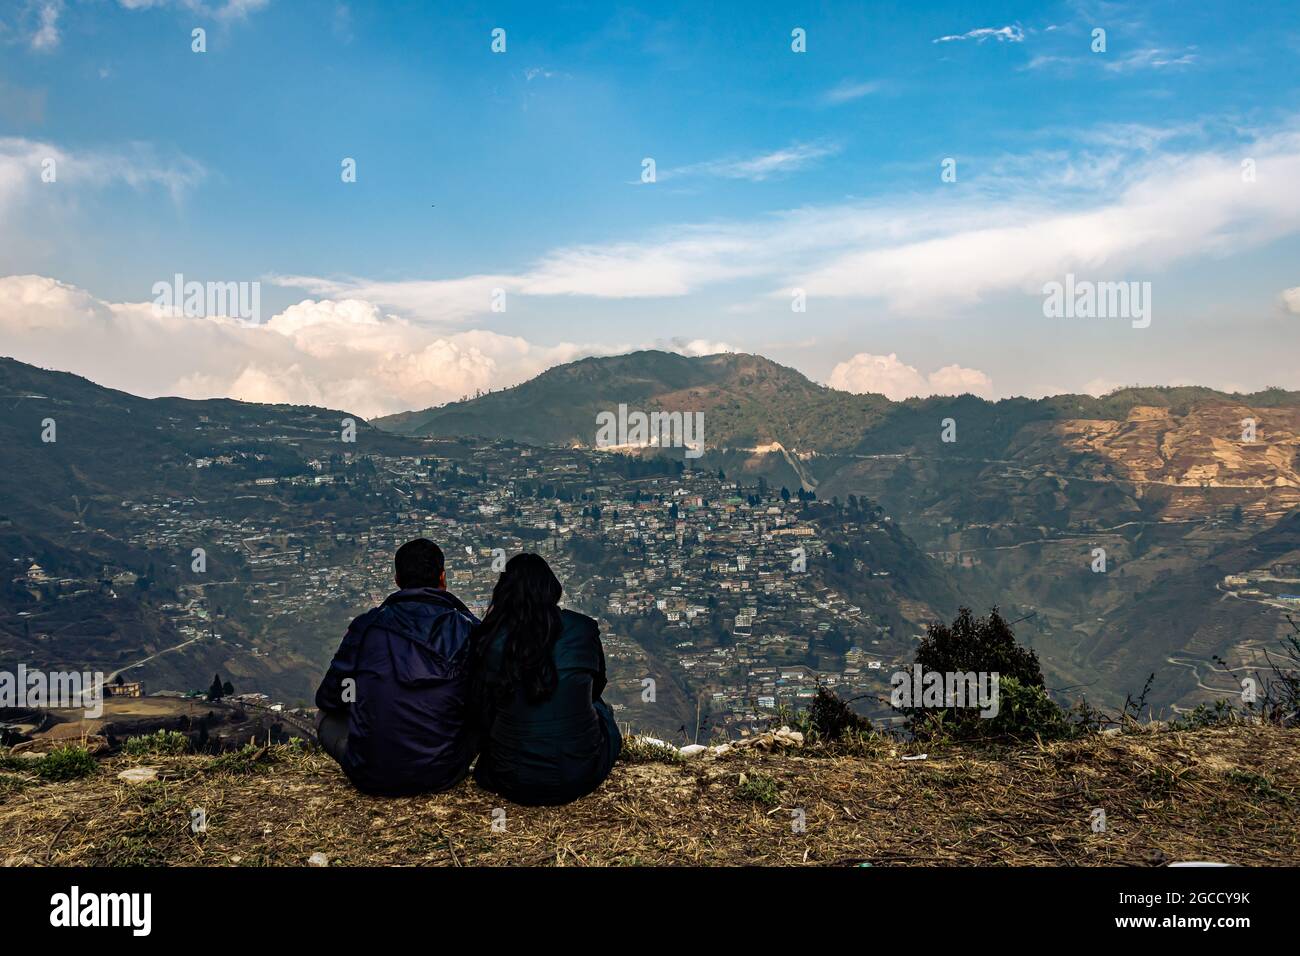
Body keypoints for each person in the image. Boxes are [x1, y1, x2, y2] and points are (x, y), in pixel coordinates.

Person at [315, 538, 478, 796]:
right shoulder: (468, 629)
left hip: (371, 774)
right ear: (443, 578)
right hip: (443, 772)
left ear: (397, 580)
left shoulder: (367, 627)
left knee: (324, 717)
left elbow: (329, 698)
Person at [470, 553, 622, 806]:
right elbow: (596, 688)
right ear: (552, 588)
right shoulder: (583, 628)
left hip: (511, 776)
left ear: (504, 593)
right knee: (602, 710)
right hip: (578, 773)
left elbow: (480, 705)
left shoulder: (491, 638)